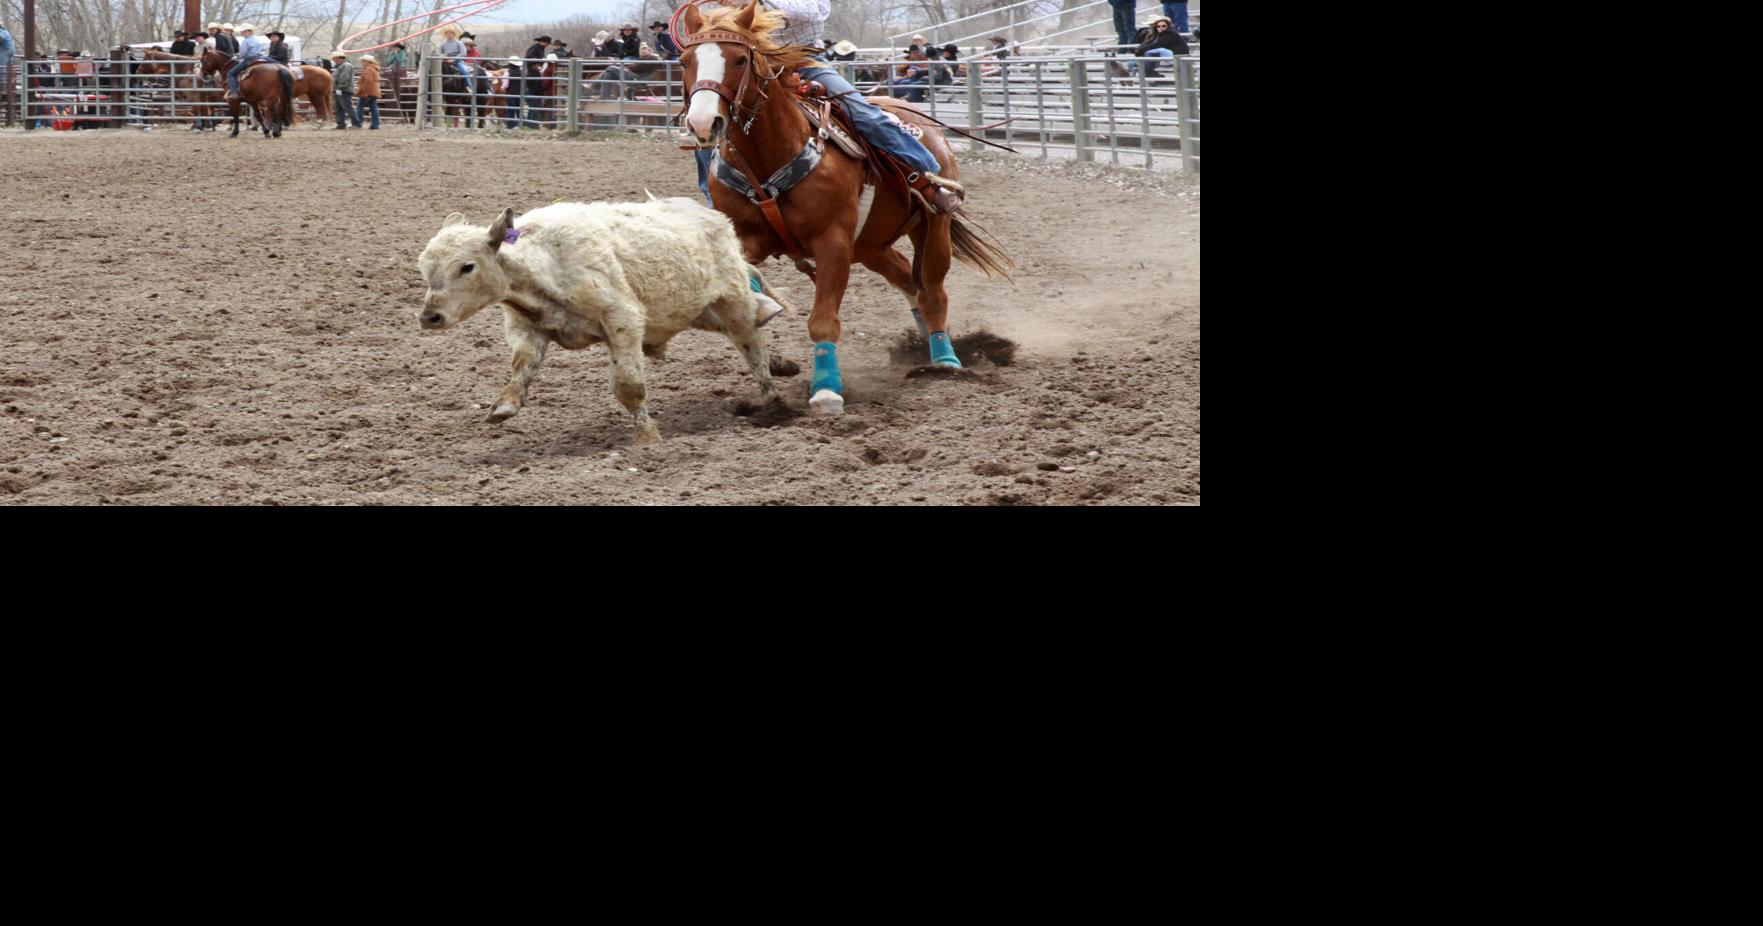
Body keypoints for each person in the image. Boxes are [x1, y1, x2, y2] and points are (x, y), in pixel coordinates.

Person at [705, 0, 964, 213]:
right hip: (753, 65)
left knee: (862, 114)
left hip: (805, 60)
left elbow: (815, 11)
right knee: (708, 123)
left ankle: (928, 175)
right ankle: (713, 200)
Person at [224, 24, 271, 101]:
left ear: (249, 32)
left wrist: (237, 56)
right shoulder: (257, 40)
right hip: (259, 59)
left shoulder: (245, 41)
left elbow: (243, 53)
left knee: (231, 74)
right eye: (242, 31)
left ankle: (234, 92)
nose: (242, 33)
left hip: (249, 60)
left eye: (244, 31)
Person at [329, 51, 355, 127]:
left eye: (334, 58)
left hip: (344, 90)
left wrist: (340, 88)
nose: (333, 60)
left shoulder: (345, 66)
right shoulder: (341, 66)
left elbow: (344, 78)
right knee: (339, 108)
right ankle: (340, 123)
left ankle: (356, 123)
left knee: (347, 107)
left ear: (338, 58)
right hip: (340, 90)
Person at [355, 53, 381, 128]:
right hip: (374, 91)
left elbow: (368, 82)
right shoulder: (374, 68)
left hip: (368, 92)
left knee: (359, 107)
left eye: (363, 61)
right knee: (373, 107)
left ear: (367, 61)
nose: (362, 62)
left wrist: (364, 92)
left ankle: (358, 123)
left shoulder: (368, 69)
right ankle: (375, 124)